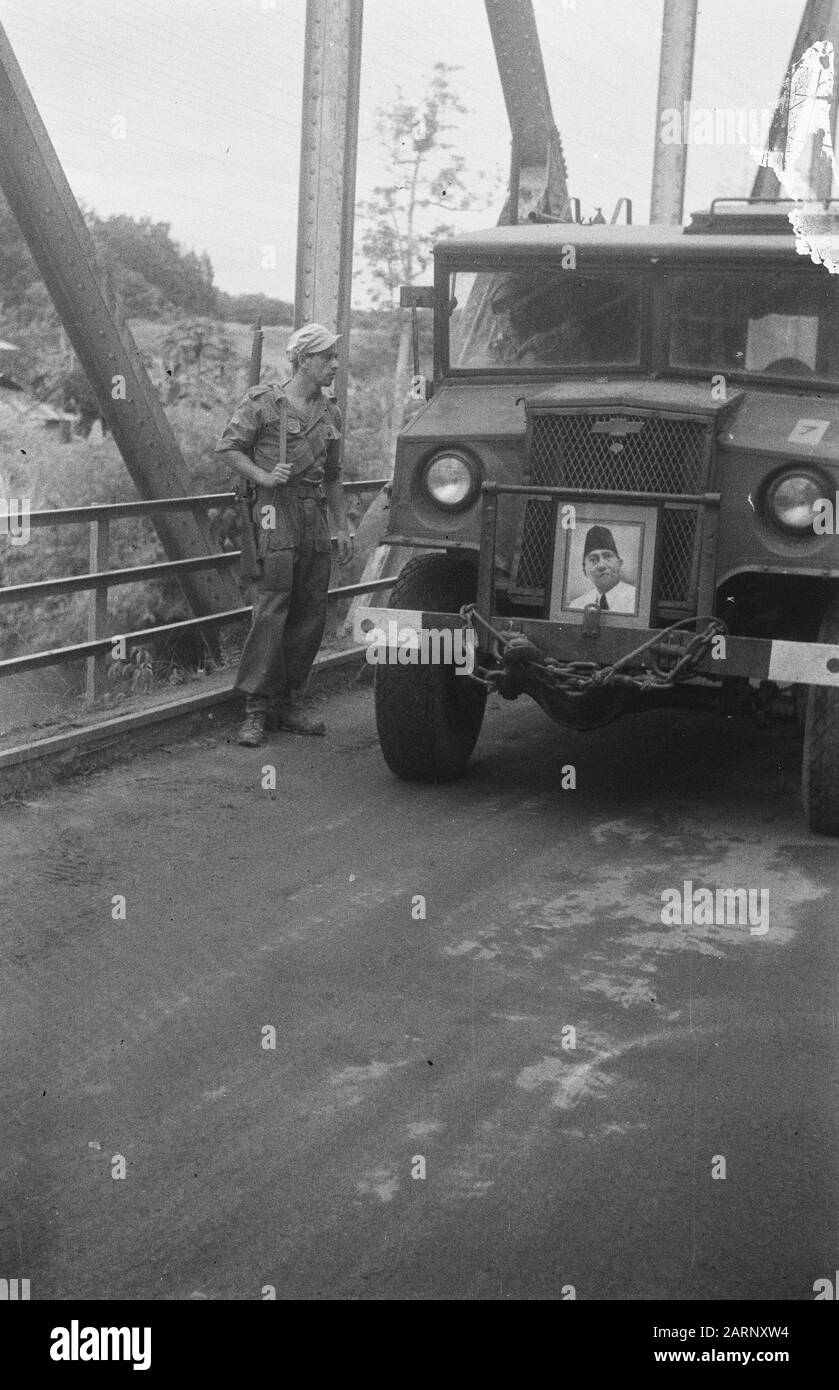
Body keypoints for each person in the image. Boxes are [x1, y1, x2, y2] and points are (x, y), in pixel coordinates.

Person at [215, 323, 354, 747]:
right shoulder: (263, 402)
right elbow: (228, 448)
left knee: (311, 612)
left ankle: (287, 704)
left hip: (313, 516)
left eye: (335, 356)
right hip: (274, 513)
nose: (334, 365)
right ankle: (256, 710)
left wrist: (341, 525)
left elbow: (332, 477)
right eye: (327, 357)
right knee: (271, 608)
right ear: (304, 359)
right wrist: (263, 476)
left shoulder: (330, 413)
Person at [568, 525, 637, 613]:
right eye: (593, 560)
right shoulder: (577, 605)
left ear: (619, 563)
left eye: (607, 556)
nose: (601, 565)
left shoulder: (636, 600)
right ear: (584, 571)